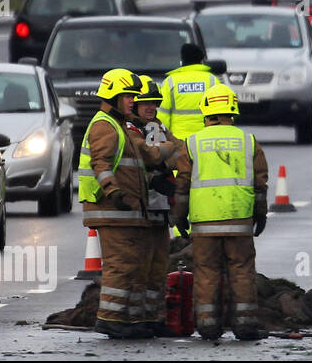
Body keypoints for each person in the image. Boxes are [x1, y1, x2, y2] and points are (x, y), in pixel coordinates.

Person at [77, 67, 182, 339]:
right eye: (129, 97)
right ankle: (110, 318)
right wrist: (114, 192)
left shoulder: (122, 126)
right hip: (112, 209)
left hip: (129, 210)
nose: (134, 102)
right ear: (112, 96)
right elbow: (101, 163)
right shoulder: (106, 125)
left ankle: (136, 319)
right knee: (121, 265)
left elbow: (149, 159)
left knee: (139, 265)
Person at [171, 84, 269, 341]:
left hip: (205, 223)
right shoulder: (248, 142)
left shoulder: (192, 143)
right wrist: (260, 214)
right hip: (239, 221)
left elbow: (182, 185)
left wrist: (179, 216)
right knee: (242, 270)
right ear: (232, 111)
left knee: (207, 271)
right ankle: (246, 325)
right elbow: (260, 184)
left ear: (206, 112)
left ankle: (208, 326)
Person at [131, 75, 179, 336]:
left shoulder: (157, 127)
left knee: (159, 265)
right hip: (140, 211)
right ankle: (137, 320)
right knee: (141, 265)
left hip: (160, 209)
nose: (151, 107)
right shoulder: (130, 131)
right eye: (145, 103)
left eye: (155, 103)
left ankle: (152, 318)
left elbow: (178, 155)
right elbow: (139, 165)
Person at [158, 43, 220, 139]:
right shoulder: (212, 80)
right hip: (206, 141)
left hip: (179, 142)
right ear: (201, 60)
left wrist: (162, 141)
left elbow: (162, 116)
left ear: (182, 61)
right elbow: (223, 113)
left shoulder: (170, 82)